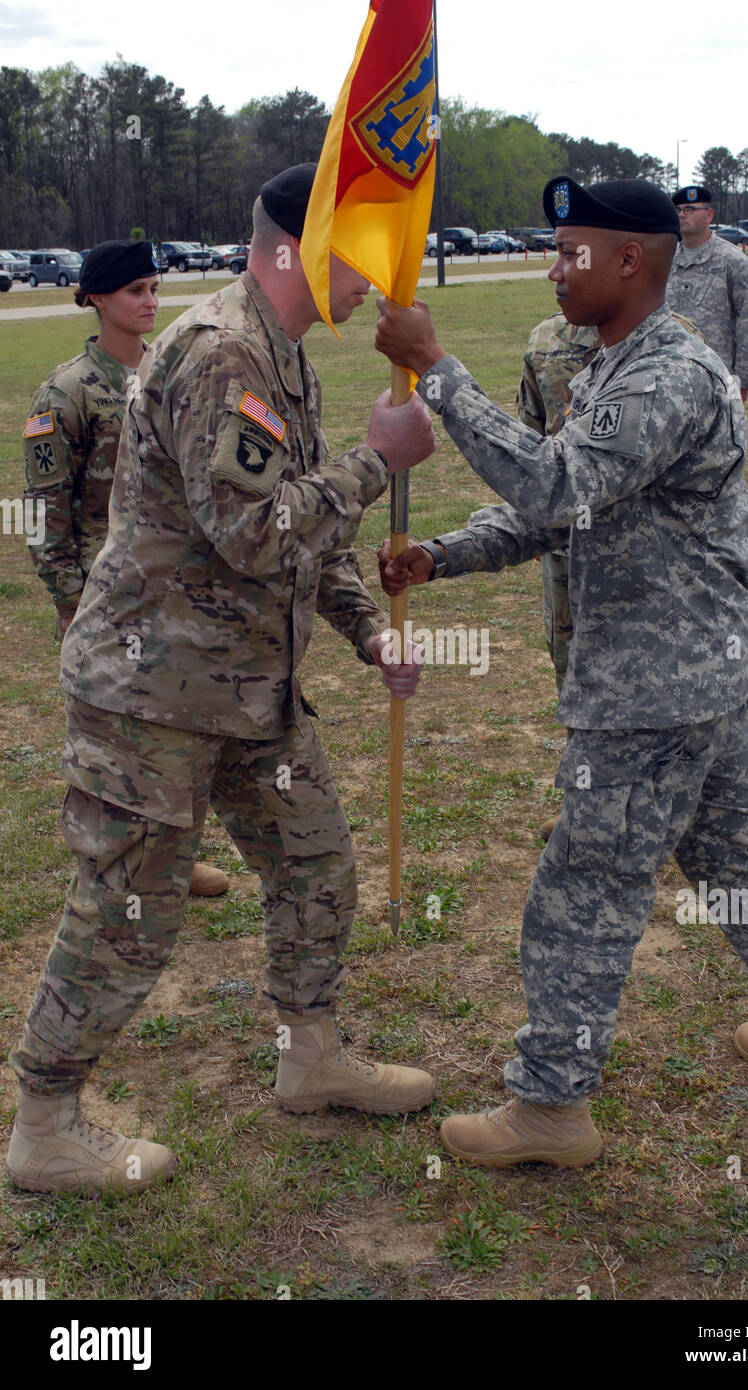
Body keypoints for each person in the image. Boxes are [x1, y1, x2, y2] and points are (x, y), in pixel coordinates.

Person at [375, 176, 748, 1170]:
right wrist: (442, 553)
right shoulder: (619, 366)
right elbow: (564, 505)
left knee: (582, 886)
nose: (555, 270)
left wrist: (436, 368)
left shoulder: (672, 374)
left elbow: (556, 479)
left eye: (571, 254)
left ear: (629, 261)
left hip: (652, 687)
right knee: (740, 859)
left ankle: (551, 1103)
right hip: (689, 679)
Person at [5, 164, 437, 1196]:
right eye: (360, 248)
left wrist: (369, 633)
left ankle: (311, 1051)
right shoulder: (219, 350)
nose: (376, 275)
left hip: (252, 694)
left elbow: (308, 534)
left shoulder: (284, 358)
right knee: (129, 915)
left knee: (317, 865)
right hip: (155, 700)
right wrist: (378, 462)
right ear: (300, 245)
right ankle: (44, 1124)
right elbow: (255, 531)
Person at [22, 239, 229, 899]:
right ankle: (117, 866)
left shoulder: (172, 373)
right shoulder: (66, 392)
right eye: (134, 290)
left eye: (153, 287)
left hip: (177, 589)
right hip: (104, 597)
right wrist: (69, 602)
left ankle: (174, 856)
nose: (150, 301)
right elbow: (44, 514)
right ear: (96, 299)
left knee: (182, 731)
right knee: (115, 741)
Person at [519, 306, 703, 843]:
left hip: (644, 549)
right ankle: (590, 803)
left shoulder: (675, 341)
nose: (560, 270)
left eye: (574, 254)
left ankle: (664, 801)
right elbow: (530, 438)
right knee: (573, 668)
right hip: (567, 542)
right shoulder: (543, 337)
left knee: (651, 672)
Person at [666, 185, 748, 398]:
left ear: (709, 214)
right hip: (670, 378)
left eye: (690, 209)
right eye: (679, 210)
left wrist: (740, 381)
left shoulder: (733, 261)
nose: (682, 215)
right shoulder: (665, 260)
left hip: (716, 380)